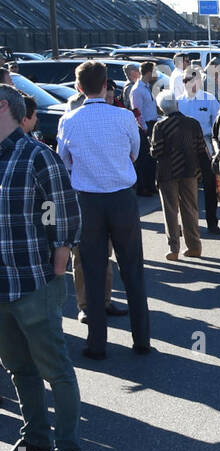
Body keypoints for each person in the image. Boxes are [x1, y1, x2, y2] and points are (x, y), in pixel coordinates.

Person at [0, 81, 82, 451]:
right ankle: (34, 442)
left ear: (3, 108)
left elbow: (62, 215)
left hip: (34, 283)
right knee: (18, 369)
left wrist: (57, 267)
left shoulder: (36, 155)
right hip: (1, 289)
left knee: (56, 371)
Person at [57, 61, 152, 360]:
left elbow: (65, 161)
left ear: (79, 87)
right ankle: (142, 339)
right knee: (132, 269)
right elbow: (134, 153)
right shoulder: (124, 117)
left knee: (94, 271)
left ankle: (97, 343)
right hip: (122, 198)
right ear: (105, 84)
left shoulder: (69, 120)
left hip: (88, 201)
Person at [151, 90, 207, 261]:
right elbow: (200, 147)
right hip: (190, 171)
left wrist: (151, 147)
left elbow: (156, 152)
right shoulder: (193, 123)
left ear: (161, 109)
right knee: (190, 209)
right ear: (177, 103)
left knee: (170, 210)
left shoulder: (160, 127)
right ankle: (194, 246)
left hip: (168, 173)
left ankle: (174, 249)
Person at [174, 64, 220, 234]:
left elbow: (217, 125)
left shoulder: (209, 99)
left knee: (209, 187)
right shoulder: (178, 102)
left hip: (205, 148)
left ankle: (212, 223)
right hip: (183, 150)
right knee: (184, 188)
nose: (193, 82)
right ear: (184, 81)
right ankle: (186, 224)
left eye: (196, 78)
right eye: (189, 79)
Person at [129, 62, 161, 196]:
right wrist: (144, 128)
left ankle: (150, 184)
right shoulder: (137, 90)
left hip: (152, 123)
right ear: (149, 72)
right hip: (145, 126)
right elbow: (137, 111)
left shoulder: (147, 87)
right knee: (144, 159)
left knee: (152, 158)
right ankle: (143, 188)